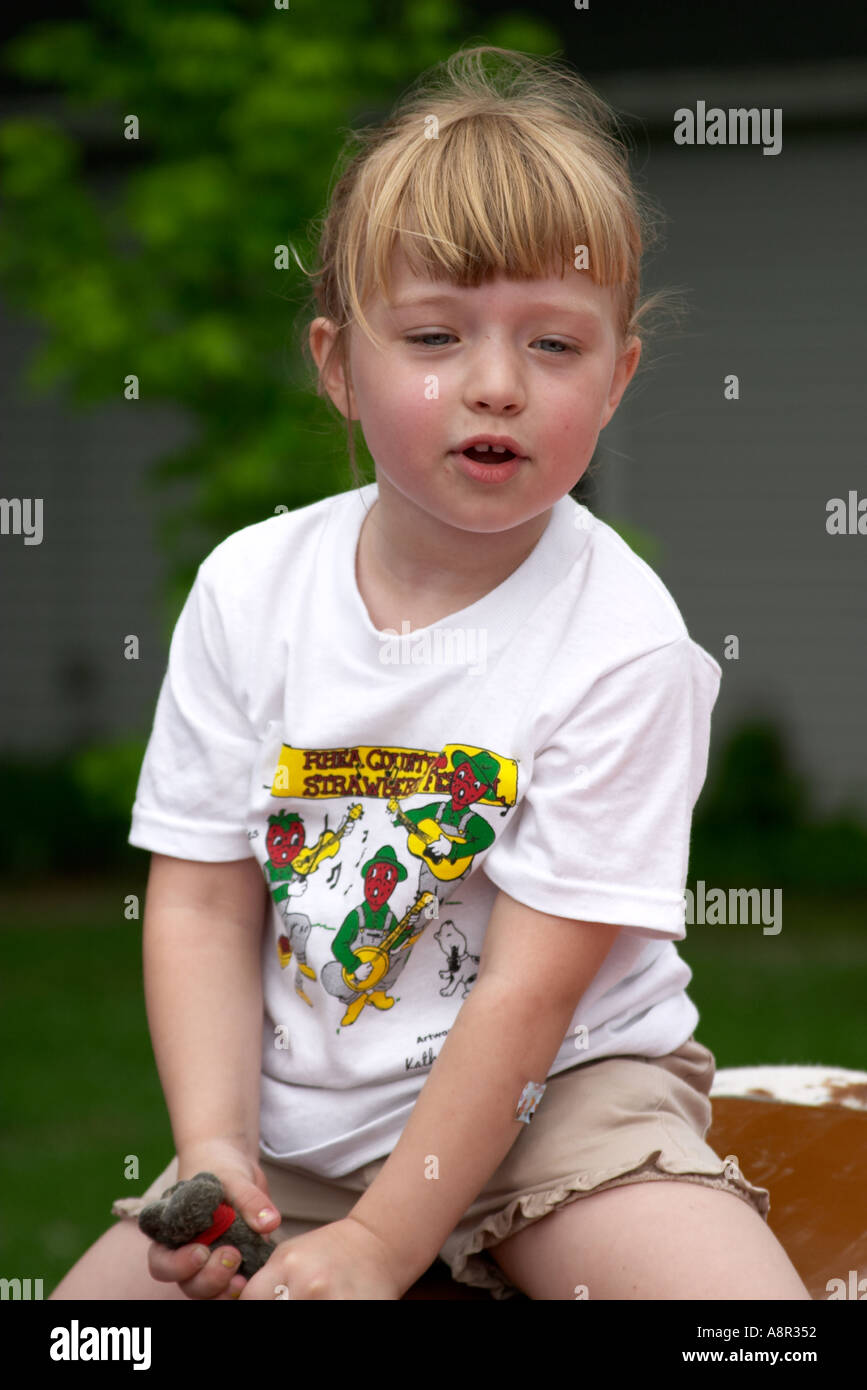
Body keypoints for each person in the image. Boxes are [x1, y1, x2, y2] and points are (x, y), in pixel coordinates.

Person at [50, 44, 810, 1302]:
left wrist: (381, 1248)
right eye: (437, 336)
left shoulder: (623, 638)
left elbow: (524, 995)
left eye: (554, 345)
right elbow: (198, 901)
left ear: (617, 379)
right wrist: (218, 1144)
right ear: (339, 364)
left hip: (563, 1102)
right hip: (303, 1131)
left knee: (742, 1323)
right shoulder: (250, 590)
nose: (496, 383)